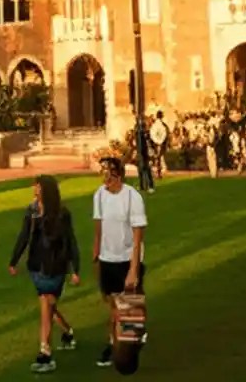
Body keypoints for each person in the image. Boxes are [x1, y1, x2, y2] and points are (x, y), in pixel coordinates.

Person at [9, 175, 81, 374]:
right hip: (37, 267)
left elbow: (71, 241)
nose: (35, 188)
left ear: (46, 190)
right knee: (49, 307)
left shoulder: (61, 214)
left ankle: (45, 353)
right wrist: (14, 260)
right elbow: (24, 236)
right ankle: (67, 332)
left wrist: (75, 269)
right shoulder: (31, 211)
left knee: (46, 305)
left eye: (38, 186)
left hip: (56, 267)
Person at [92, 157, 148, 368]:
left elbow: (137, 236)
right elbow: (99, 225)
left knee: (131, 304)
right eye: (103, 172)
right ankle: (114, 341)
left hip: (127, 258)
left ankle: (130, 343)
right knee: (114, 304)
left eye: (109, 173)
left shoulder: (132, 197)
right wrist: (96, 252)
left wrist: (133, 269)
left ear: (119, 175)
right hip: (108, 259)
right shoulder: (99, 195)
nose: (105, 178)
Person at [148, 111, 170, 182]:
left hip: (155, 143)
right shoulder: (163, 125)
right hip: (160, 143)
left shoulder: (154, 125)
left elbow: (152, 134)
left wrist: (155, 141)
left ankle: (156, 173)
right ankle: (158, 173)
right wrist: (160, 142)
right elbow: (165, 135)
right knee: (158, 158)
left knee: (156, 158)